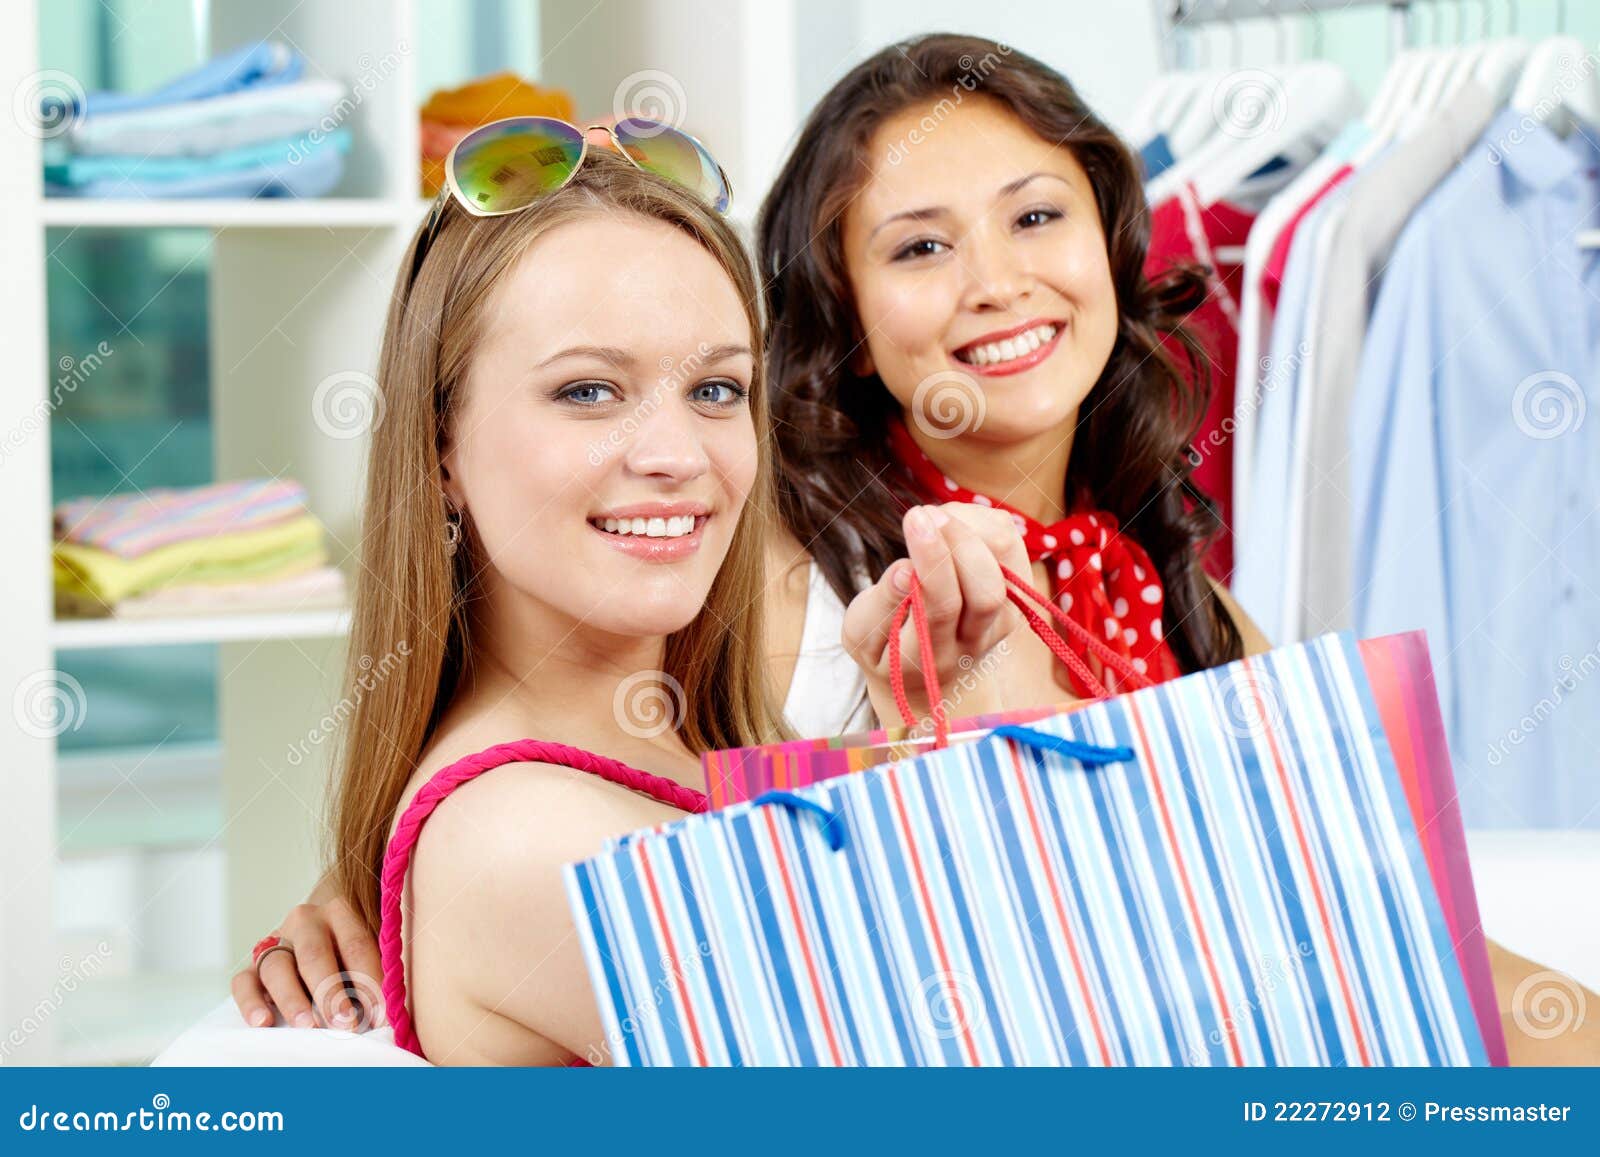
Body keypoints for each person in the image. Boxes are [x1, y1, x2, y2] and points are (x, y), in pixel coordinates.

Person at [232, 37, 1597, 1066]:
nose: (676, 455)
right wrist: (992, 752)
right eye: (588, 389)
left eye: (715, 390)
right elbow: (1015, 1052)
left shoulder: (1165, 597)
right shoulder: (553, 806)